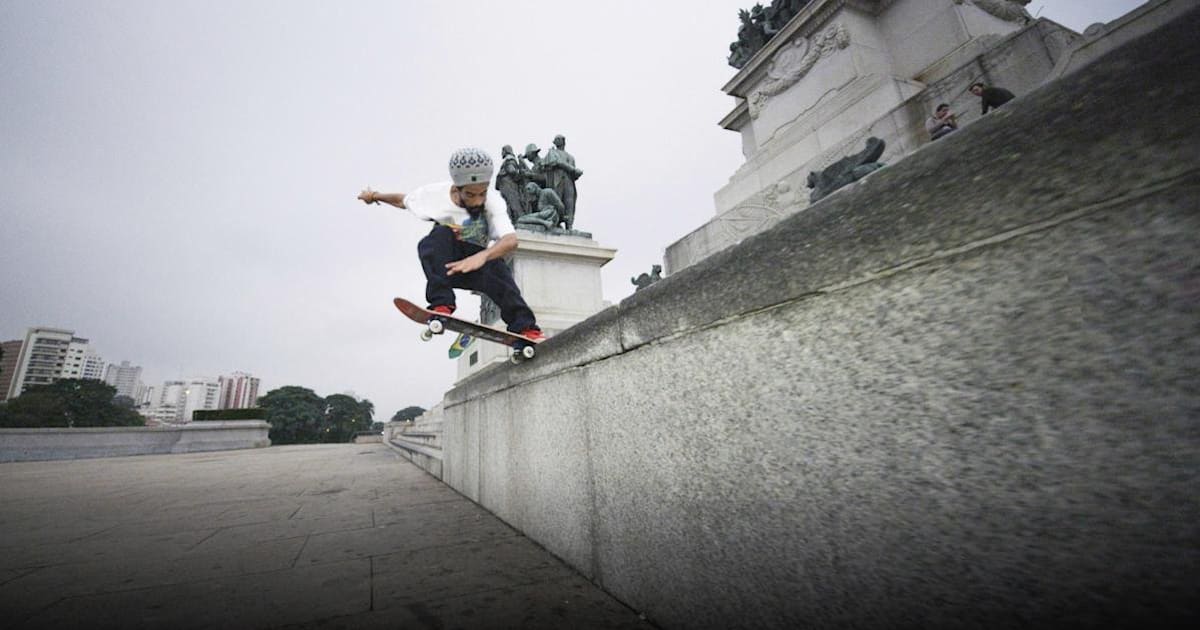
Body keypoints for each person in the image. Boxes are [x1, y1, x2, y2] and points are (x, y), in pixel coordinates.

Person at [357, 147, 545, 341]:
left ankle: (526, 328)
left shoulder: (494, 202)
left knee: (497, 266)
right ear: (456, 189)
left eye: (482, 193)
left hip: (479, 267)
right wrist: (375, 196)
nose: (478, 201)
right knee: (437, 236)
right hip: (447, 266)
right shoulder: (433, 195)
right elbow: (402, 200)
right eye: (470, 195)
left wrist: (482, 256)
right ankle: (442, 303)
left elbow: (510, 240)